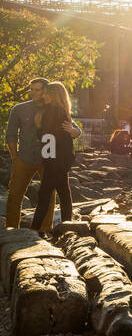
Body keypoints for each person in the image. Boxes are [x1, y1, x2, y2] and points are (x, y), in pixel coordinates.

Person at [6, 78, 80, 231]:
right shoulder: (19, 109)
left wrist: (75, 131)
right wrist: (15, 157)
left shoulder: (54, 108)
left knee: (49, 197)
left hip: (47, 159)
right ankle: (12, 230)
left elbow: (72, 126)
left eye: (38, 90)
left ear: (47, 91)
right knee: (14, 196)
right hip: (25, 158)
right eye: (31, 89)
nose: (33, 93)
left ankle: (43, 231)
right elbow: (11, 134)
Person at [28, 82, 78, 232]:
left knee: (45, 195)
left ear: (54, 95)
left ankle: (35, 230)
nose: (44, 96)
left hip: (54, 159)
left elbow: (48, 137)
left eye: (47, 93)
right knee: (63, 194)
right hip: (60, 159)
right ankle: (66, 228)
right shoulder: (62, 111)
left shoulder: (53, 111)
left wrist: (38, 127)